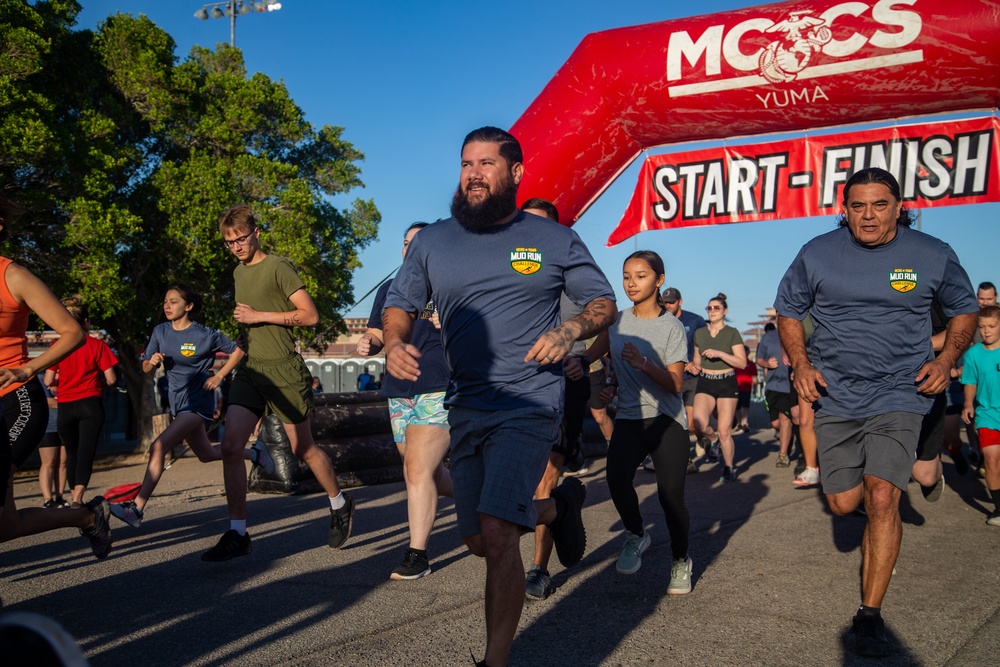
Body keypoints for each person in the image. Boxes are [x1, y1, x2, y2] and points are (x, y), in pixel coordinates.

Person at [381, 127, 616, 667]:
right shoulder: (433, 241)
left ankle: (495, 659)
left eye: (487, 163)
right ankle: (555, 509)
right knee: (478, 540)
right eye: (467, 164)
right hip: (464, 403)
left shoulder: (554, 239)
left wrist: (571, 329)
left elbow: (603, 302)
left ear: (515, 172)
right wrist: (394, 340)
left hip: (530, 401)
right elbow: (401, 303)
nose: (474, 174)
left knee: (496, 530)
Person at [775, 167, 978, 657]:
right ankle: (876, 511)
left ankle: (869, 615)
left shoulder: (931, 254)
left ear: (899, 206)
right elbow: (787, 310)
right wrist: (800, 364)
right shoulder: (817, 252)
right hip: (836, 393)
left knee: (883, 497)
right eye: (858, 206)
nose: (868, 216)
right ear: (844, 209)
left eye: (879, 205)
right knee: (846, 504)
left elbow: (964, 310)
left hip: (900, 392)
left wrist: (947, 358)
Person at [206, 204, 354, 561]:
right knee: (229, 447)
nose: (237, 247)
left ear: (256, 232)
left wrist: (261, 315)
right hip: (252, 370)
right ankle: (237, 533)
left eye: (241, 239)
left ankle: (339, 503)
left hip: (284, 371)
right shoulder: (239, 274)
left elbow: (311, 315)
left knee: (302, 448)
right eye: (230, 243)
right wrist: (225, 370)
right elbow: (248, 332)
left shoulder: (279, 267)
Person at [0, 194, 110, 559]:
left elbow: (73, 332)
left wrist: (29, 368)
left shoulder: (13, 276)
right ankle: (83, 516)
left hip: (16, 401)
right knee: (6, 526)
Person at [109, 285, 270, 528]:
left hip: (198, 403)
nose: (167, 306)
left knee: (158, 446)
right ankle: (255, 453)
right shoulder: (160, 331)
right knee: (206, 455)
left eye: (173, 302)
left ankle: (137, 510)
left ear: (189, 306)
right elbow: (144, 367)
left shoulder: (205, 335)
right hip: (178, 403)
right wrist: (150, 363)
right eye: (165, 301)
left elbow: (239, 350)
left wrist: (220, 376)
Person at [586, 250, 693, 593]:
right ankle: (636, 534)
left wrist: (644, 363)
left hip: (666, 420)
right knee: (616, 480)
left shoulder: (672, 327)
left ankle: (680, 560)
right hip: (631, 417)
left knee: (670, 496)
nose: (632, 283)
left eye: (641, 276)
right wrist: (608, 384)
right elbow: (593, 355)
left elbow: (676, 384)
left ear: (659, 280)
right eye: (627, 276)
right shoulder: (616, 320)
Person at [357, 221, 454, 580]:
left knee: (416, 469)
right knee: (426, 472)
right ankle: (482, 498)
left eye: (417, 242)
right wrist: (370, 344)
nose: (409, 248)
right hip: (398, 389)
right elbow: (377, 333)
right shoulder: (390, 289)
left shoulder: (450, 284)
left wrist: (453, 323)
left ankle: (418, 554)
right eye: (405, 242)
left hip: (440, 384)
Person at [518, 198, 593, 601]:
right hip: (514, 385)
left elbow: (605, 321)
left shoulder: (573, 272)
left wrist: (584, 359)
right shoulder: (506, 270)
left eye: (540, 226)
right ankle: (565, 506)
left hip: (564, 383)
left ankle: (537, 569)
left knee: (544, 478)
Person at [43, 297, 118, 508]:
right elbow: (111, 379)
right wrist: (98, 382)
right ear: (86, 321)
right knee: (86, 451)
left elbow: (48, 381)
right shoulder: (97, 345)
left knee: (71, 451)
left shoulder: (57, 346)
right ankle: (77, 498)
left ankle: (69, 496)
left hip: (66, 405)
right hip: (90, 403)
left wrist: (62, 384)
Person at [689, 293, 746, 482]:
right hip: (705, 381)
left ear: (725, 311)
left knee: (724, 431)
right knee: (699, 423)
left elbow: (742, 363)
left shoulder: (732, 333)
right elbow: (697, 359)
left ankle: (729, 468)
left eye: (716, 308)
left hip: (726, 382)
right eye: (709, 308)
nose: (712, 311)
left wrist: (720, 353)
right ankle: (713, 441)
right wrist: (693, 365)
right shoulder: (700, 333)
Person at [961, 304, 1000, 524]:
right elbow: (970, 382)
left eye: (992, 326)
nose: (986, 331)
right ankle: (999, 509)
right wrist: (968, 404)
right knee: (992, 459)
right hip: (986, 414)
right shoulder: (973, 354)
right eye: (982, 327)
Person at [663, 288, 707, 472]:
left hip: (692, 379)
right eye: (665, 302)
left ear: (680, 301)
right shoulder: (660, 321)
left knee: (691, 423)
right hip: (670, 378)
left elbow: (705, 346)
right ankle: (687, 460)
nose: (668, 305)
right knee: (678, 423)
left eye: (671, 302)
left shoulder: (695, 320)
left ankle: (702, 438)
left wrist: (698, 364)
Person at [756, 322, 798, 468]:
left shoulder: (794, 331)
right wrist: (767, 364)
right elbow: (758, 359)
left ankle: (783, 455)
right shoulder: (768, 337)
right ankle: (789, 436)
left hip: (789, 386)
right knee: (776, 423)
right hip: (772, 385)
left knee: (784, 419)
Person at [37, 378, 68, 507]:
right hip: (48, 426)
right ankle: (47, 498)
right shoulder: (41, 378)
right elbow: (49, 402)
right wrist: (68, 401)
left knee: (63, 462)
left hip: (66, 424)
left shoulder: (66, 377)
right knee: (48, 462)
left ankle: (60, 496)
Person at [733, 345, 754, 434]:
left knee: (745, 406)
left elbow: (755, 378)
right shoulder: (735, 364)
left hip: (747, 388)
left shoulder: (752, 364)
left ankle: (745, 423)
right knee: (737, 407)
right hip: (736, 388)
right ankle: (739, 423)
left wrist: (755, 388)